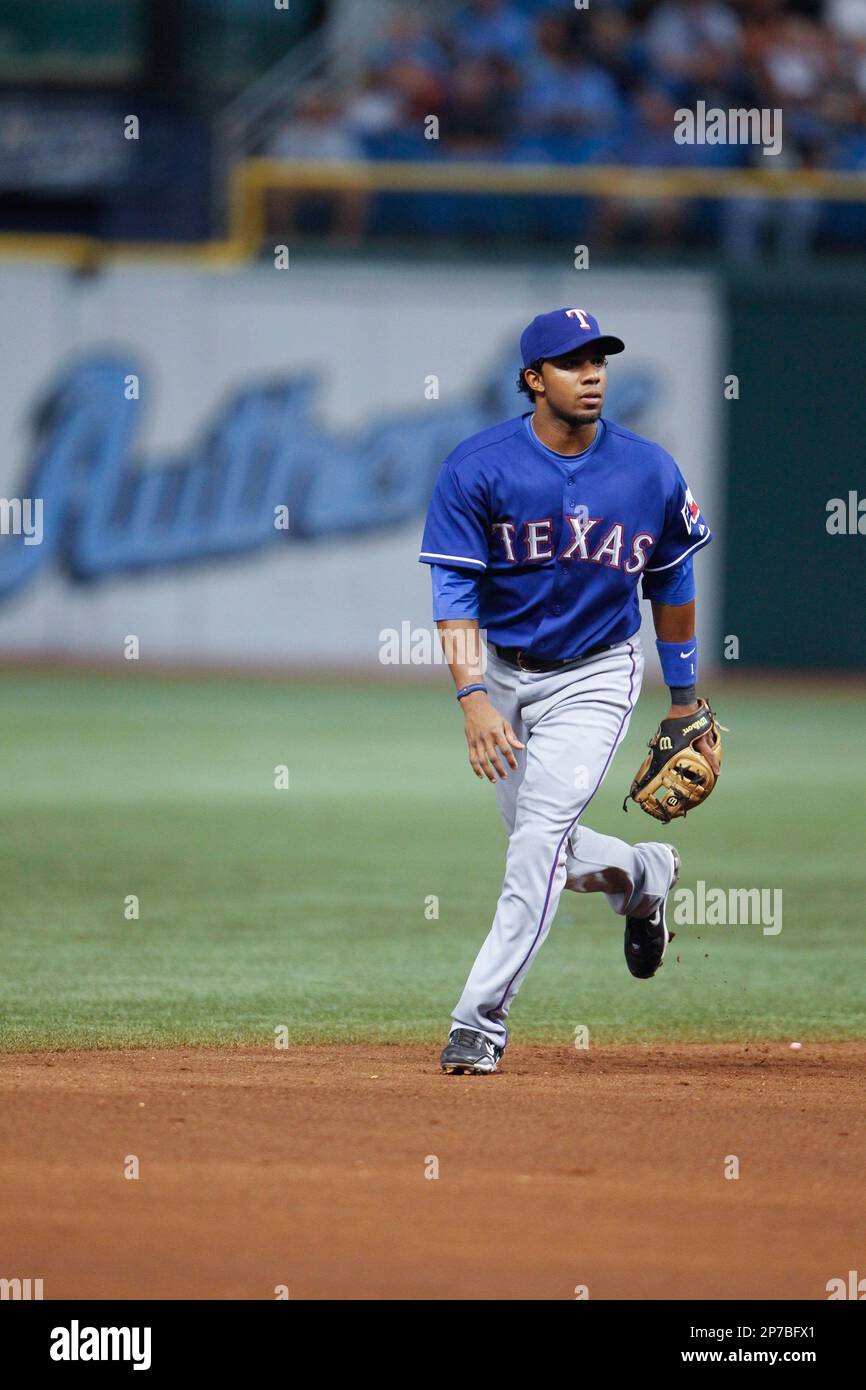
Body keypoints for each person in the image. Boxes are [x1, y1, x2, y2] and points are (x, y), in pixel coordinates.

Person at [418, 308, 718, 1075]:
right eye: (572, 363)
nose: (591, 375)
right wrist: (472, 696)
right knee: (555, 855)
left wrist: (684, 699)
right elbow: (454, 589)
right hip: (506, 677)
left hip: (595, 671)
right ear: (532, 379)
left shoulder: (648, 468)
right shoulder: (478, 466)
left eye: (600, 361)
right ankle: (647, 876)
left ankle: (478, 1021)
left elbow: (672, 574)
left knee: (537, 845)